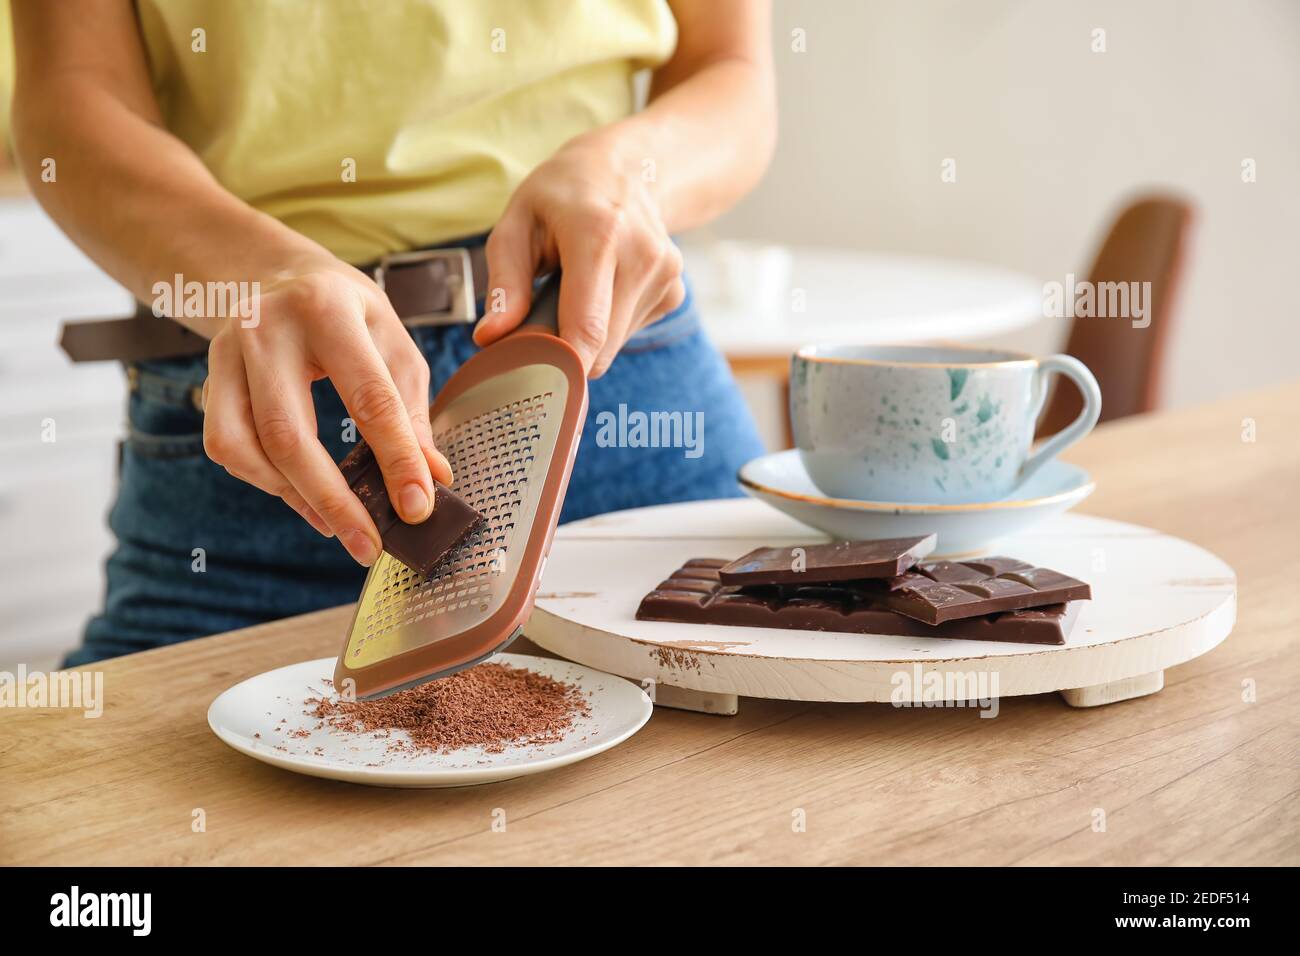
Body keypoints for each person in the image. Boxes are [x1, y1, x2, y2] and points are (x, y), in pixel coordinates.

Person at [9, 0, 775, 664]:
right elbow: (69, 99)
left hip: (609, 386)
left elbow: (733, 71)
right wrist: (255, 272)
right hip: (257, 446)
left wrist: (626, 171)